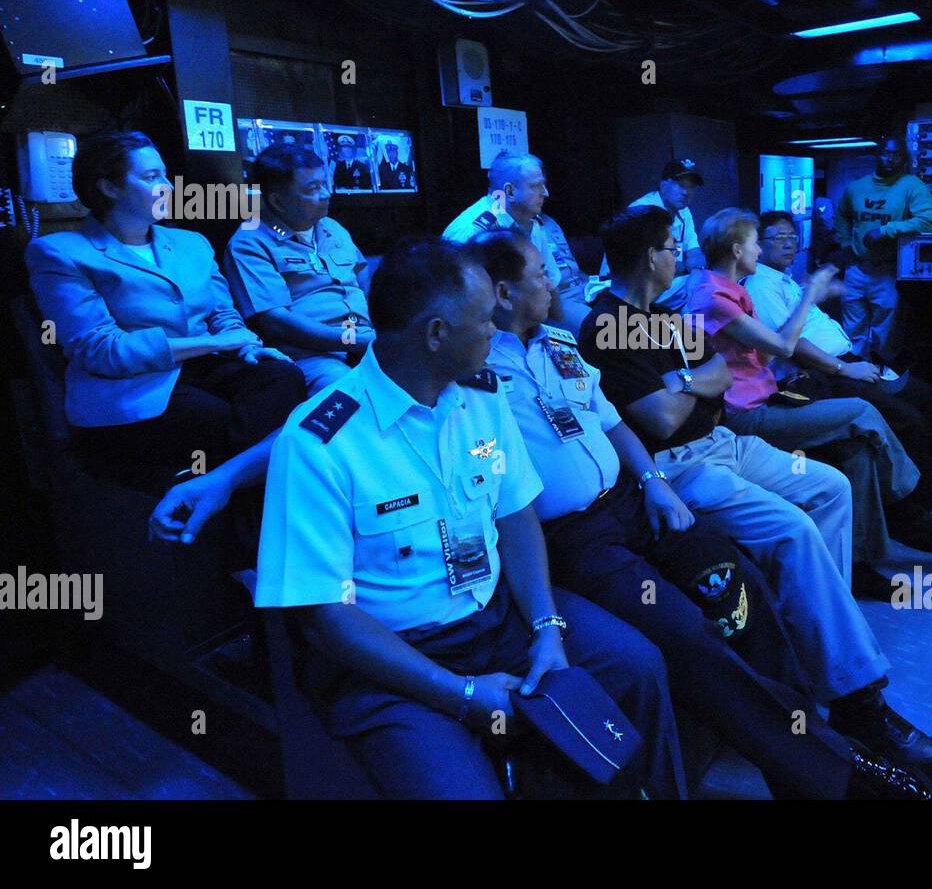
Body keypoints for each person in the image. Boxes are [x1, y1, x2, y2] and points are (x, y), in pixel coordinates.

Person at [467, 228, 932, 798]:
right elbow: (662, 417)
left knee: (745, 592)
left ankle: (827, 731)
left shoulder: (562, 343)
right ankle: (832, 774)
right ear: (503, 292)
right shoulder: (491, 365)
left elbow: (643, 408)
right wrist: (691, 394)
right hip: (575, 534)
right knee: (691, 631)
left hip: (639, 495)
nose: (556, 280)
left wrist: (654, 481)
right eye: (540, 274)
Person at [253, 237, 685, 799]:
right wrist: (456, 692)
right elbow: (327, 618)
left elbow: (516, 515)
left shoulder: (482, 395)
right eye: (484, 319)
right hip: (395, 660)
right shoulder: (322, 441)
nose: (495, 329)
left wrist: (547, 629)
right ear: (436, 334)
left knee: (637, 665)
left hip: (496, 617)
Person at [580, 206, 932, 781]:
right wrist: (693, 381)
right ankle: (858, 700)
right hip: (677, 463)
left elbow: (720, 375)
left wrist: (687, 381)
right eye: (671, 248)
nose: (679, 257)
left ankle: (818, 644)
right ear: (650, 257)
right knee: (793, 527)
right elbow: (657, 420)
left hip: (724, 438)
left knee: (830, 487)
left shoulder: (659, 315)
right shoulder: (606, 324)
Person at [688, 209, 932, 581]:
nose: (760, 250)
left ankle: (862, 564)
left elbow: (765, 355)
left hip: (770, 397)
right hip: (746, 417)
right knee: (861, 410)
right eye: (757, 242)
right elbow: (785, 347)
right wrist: (810, 294)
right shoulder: (714, 295)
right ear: (737, 250)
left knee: (858, 453)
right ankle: (910, 499)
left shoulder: (733, 291)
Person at [24, 130, 303, 493]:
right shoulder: (60, 252)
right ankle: (247, 512)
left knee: (284, 376)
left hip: (206, 369)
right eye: (151, 177)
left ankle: (227, 491)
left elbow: (224, 314)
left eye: (165, 175)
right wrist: (210, 342)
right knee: (233, 423)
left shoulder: (191, 243)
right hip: (132, 386)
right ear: (109, 188)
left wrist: (248, 346)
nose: (168, 186)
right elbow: (101, 351)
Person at [745, 210, 932, 515]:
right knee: (906, 416)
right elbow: (791, 346)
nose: (789, 244)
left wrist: (822, 292)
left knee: (924, 395)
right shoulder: (760, 285)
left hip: (844, 360)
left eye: (792, 237)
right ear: (758, 244)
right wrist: (845, 368)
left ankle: (931, 485)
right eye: (779, 238)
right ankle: (912, 504)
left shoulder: (786, 281)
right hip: (822, 372)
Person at [224, 145, 374, 393]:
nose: (326, 194)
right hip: (313, 354)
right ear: (278, 201)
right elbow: (276, 322)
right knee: (349, 393)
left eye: (324, 184)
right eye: (312, 189)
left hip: (364, 339)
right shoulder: (250, 242)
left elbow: (362, 277)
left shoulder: (330, 227)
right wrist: (358, 341)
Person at [442, 151, 589, 333]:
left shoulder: (532, 223)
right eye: (537, 186)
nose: (546, 193)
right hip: (482, 332)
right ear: (510, 191)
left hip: (524, 324)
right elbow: (457, 303)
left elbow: (550, 285)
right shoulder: (473, 231)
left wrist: (560, 335)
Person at [835, 133, 932, 363]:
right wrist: (844, 243)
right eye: (886, 153)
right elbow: (841, 215)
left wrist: (886, 230)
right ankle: (852, 380)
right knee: (851, 333)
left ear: (903, 158)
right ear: (877, 154)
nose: (890, 159)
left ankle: (880, 383)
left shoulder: (911, 186)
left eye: (896, 154)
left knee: (884, 336)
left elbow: (930, 222)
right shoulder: (857, 187)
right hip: (857, 269)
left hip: (888, 270)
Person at [586, 158, 707, 311]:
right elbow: (647, 266)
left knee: (701, 285)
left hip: (657, 282)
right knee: (704, 289)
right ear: (663, 184)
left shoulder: (684, 211)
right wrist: (688, 269)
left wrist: (697, 271)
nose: (686, 192)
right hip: (621, 288)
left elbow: (695, 253)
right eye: (681, 185)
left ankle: (682, 333)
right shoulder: (644, 211)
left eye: (691, 187)